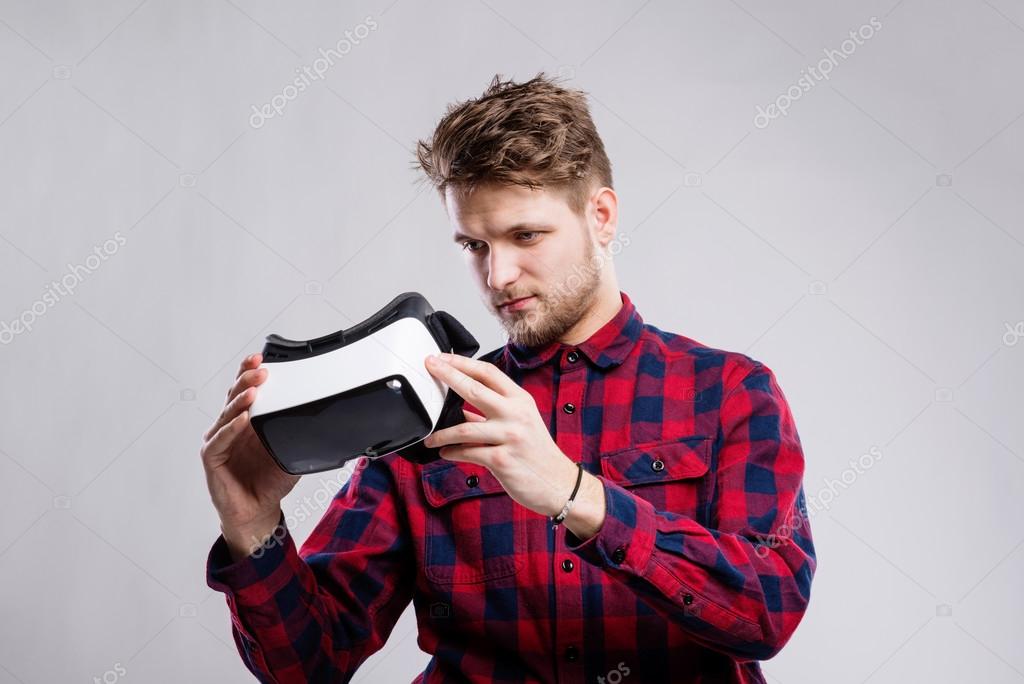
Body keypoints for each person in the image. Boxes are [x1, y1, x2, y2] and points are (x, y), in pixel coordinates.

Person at [202, 72, 816, 683]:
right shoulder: (426, 414)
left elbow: (767, 612)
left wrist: (578, 496)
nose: (497, 276)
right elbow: (310, 664)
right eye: (473, 245)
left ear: (600, 215)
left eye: (527, 235)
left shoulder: (729, 392)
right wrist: (253, 529)